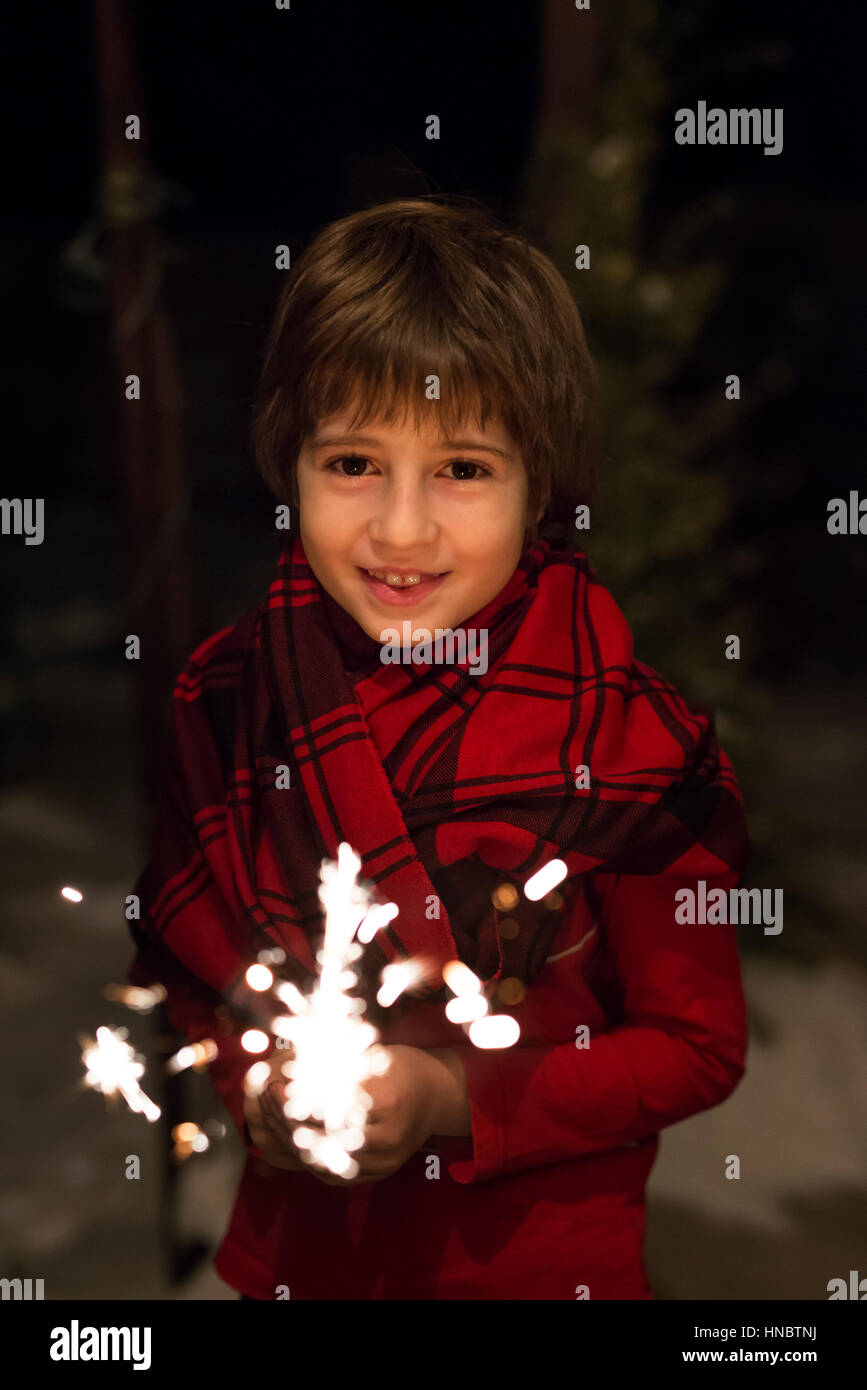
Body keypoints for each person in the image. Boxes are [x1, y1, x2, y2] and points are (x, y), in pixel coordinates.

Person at [128, 197, 749, 1300]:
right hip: (303, 1258)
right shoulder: (226, 698)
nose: (401, 530)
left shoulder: (630, 739)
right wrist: (258, 1090)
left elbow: (697, 1047)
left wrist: (458, 1095)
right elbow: (189, 972)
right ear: (290, 462)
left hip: (538, 1271)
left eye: (462, 469)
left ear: (539, 483)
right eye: (354, 463)